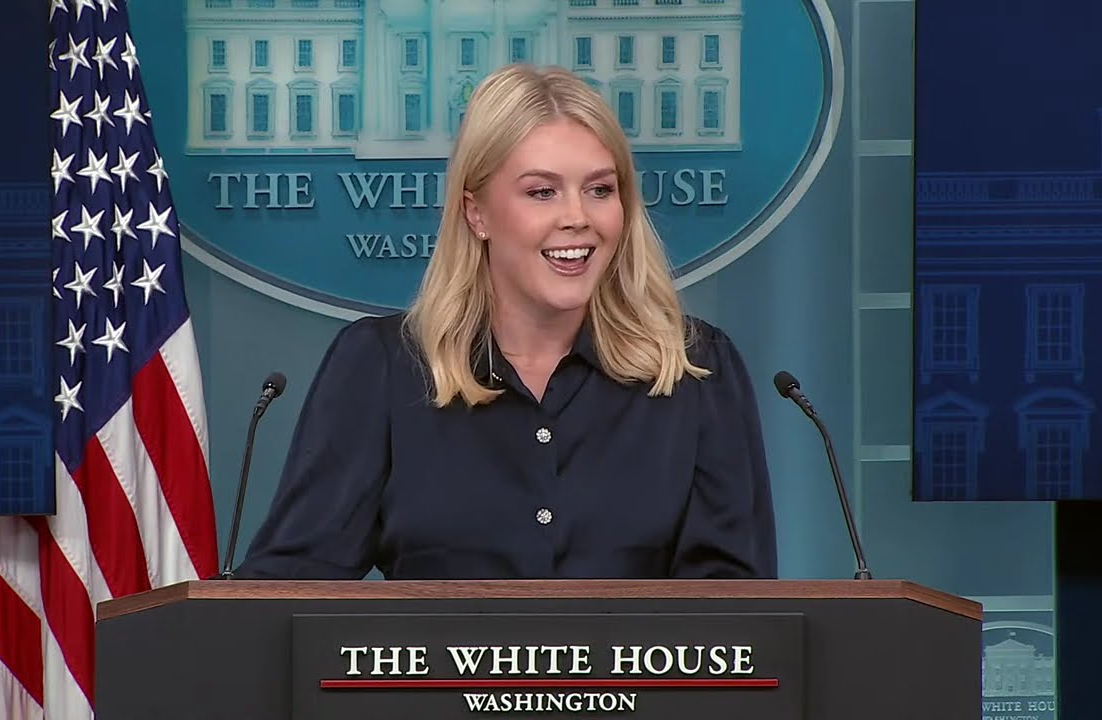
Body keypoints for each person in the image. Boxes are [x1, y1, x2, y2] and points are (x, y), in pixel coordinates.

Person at [234, 64, 777, 581]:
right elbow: (289, 592)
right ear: (477, 213)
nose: (577, 218)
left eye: (600, 189)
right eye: (542, 192)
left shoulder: (696, 369)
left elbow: (736, 613)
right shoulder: (382, 366)